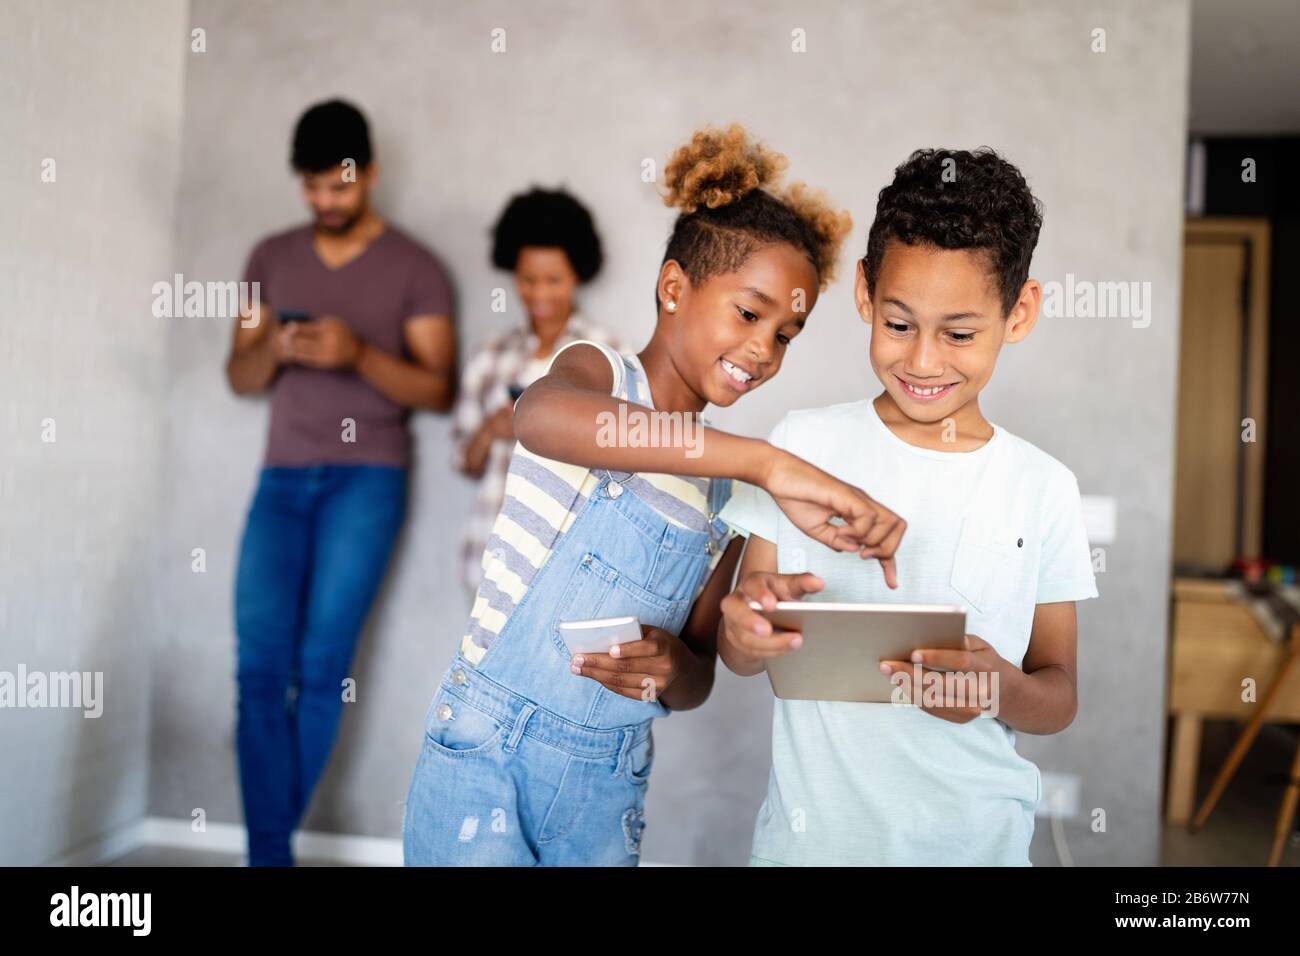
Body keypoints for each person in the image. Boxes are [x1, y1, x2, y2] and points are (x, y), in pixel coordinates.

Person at [403, 124, 904, 866]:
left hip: (606, 782)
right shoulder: (598, 373)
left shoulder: (720, 495)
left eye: (787, 333)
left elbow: (699, 671)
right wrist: (768, 463)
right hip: (483, 755)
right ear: (674, 288)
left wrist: (675, 667)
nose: (765, 350)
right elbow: (537, 417)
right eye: (749, 313)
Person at [718, 147, 1098, 865]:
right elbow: (741, 651)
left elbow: (1059, 695)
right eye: (898, 325)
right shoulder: (800, 446)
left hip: (975, 847)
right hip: (810, 847)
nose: (923, 362)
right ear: (864, 293)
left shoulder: (1042, 487)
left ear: (1020, 313)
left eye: (959, 334)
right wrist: (745, 627)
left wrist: (1000, 690)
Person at [225, 99, 457, 866]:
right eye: (313, 188)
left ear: (370, 175)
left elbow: (438, 389)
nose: (325, 202)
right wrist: (279, 348)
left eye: (339, 186)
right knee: (259, 667)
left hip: (368, 483)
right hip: (281, 480)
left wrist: (358, 354)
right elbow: (239, 375)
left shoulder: (416, 267)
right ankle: (272, 856)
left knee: (321, 667)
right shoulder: (269, 256)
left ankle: (265, 855)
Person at [453, 188, 624, 597]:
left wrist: (545, 426)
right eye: (528, 280)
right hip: (487, 555)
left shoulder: (608, 354)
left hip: (566, 558)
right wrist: (491, 431)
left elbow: (622, 458)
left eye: (553, 280)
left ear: (577, 274)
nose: (539, 294)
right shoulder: (488, 356)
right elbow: (465, 462)